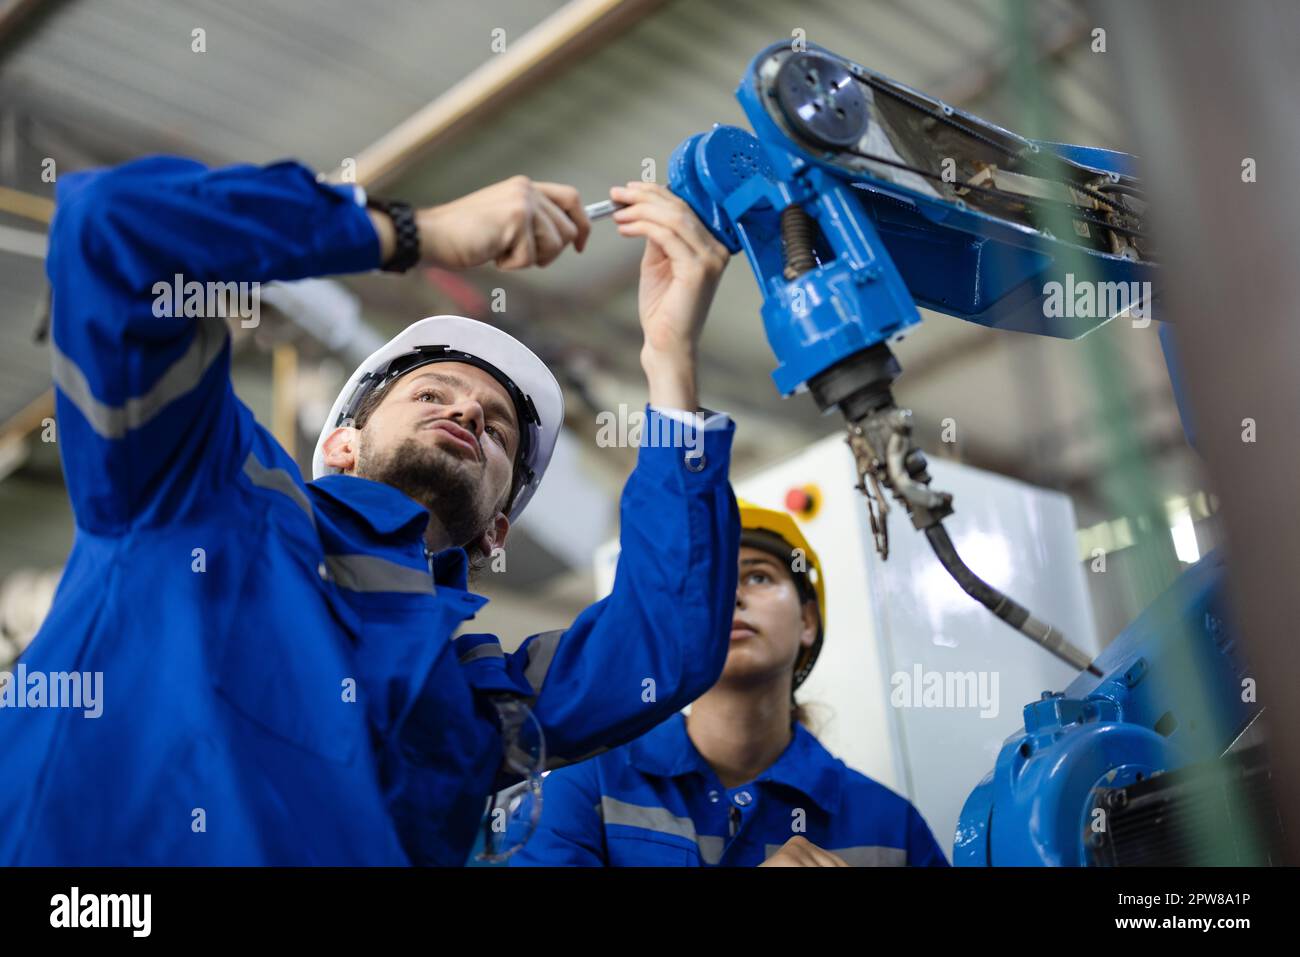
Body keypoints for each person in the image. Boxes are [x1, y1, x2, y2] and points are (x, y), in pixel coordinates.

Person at [0, 156, 739, 865]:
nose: (469, 412)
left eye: (498, 428)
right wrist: (420, 233)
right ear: (344, 444)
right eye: (432, 391)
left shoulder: (481, 706)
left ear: (496, 530)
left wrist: (669, 360)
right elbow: (114, 225)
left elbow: (665, 639)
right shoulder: (202, 484)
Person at [510, 500, 949, 866]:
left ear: (807, 621)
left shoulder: (893, 828)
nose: (733, 597)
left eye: (759, 576)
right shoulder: (587, 779)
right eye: (712, 585)